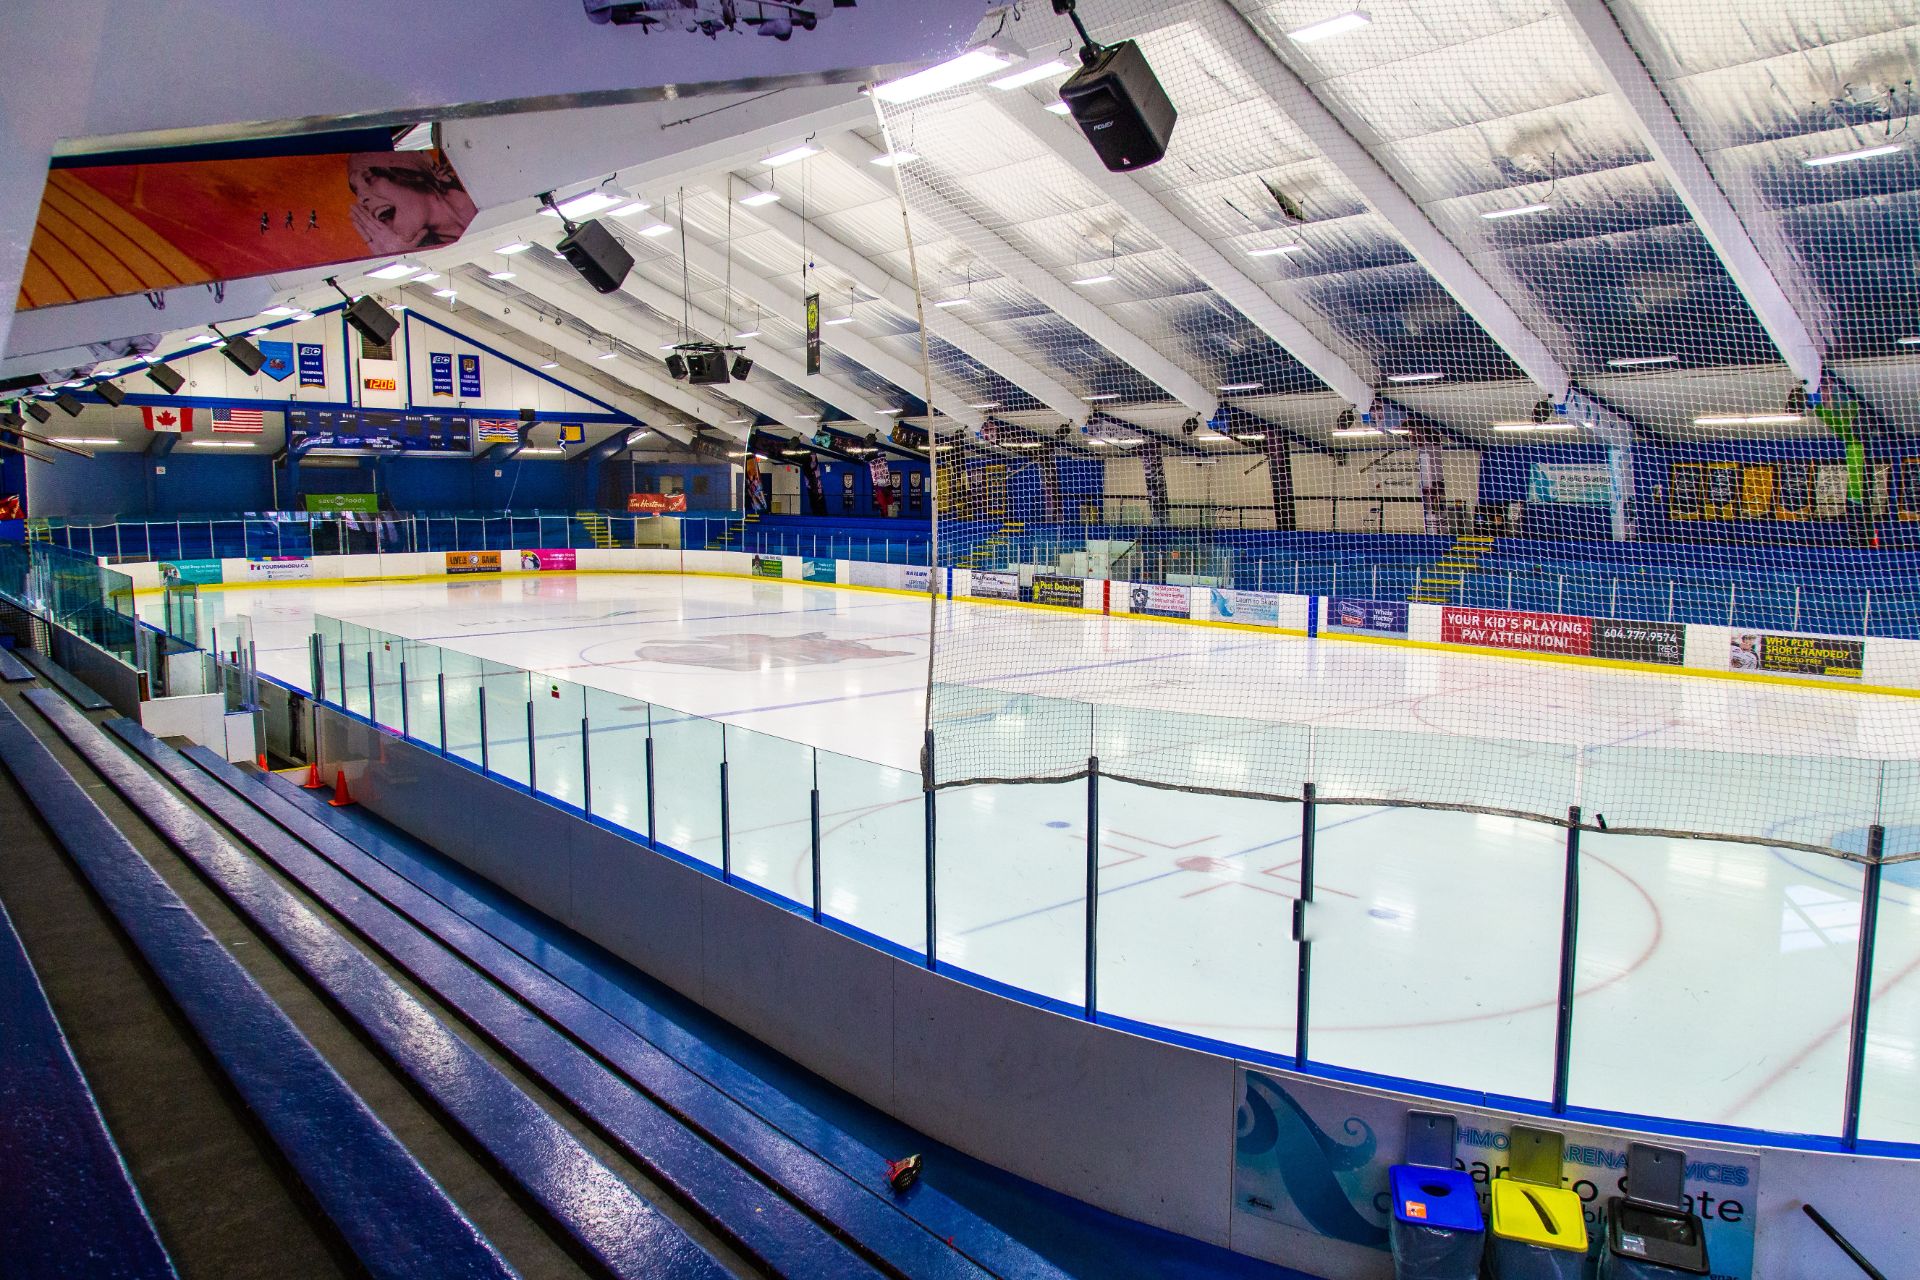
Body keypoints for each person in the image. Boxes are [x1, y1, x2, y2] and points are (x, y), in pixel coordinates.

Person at [346, 153, 478, 254]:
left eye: (369, 179)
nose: (361, 199)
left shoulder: (481, 188)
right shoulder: (437, 248)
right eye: (356, 190)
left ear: (412, 175)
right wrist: (402, 257)